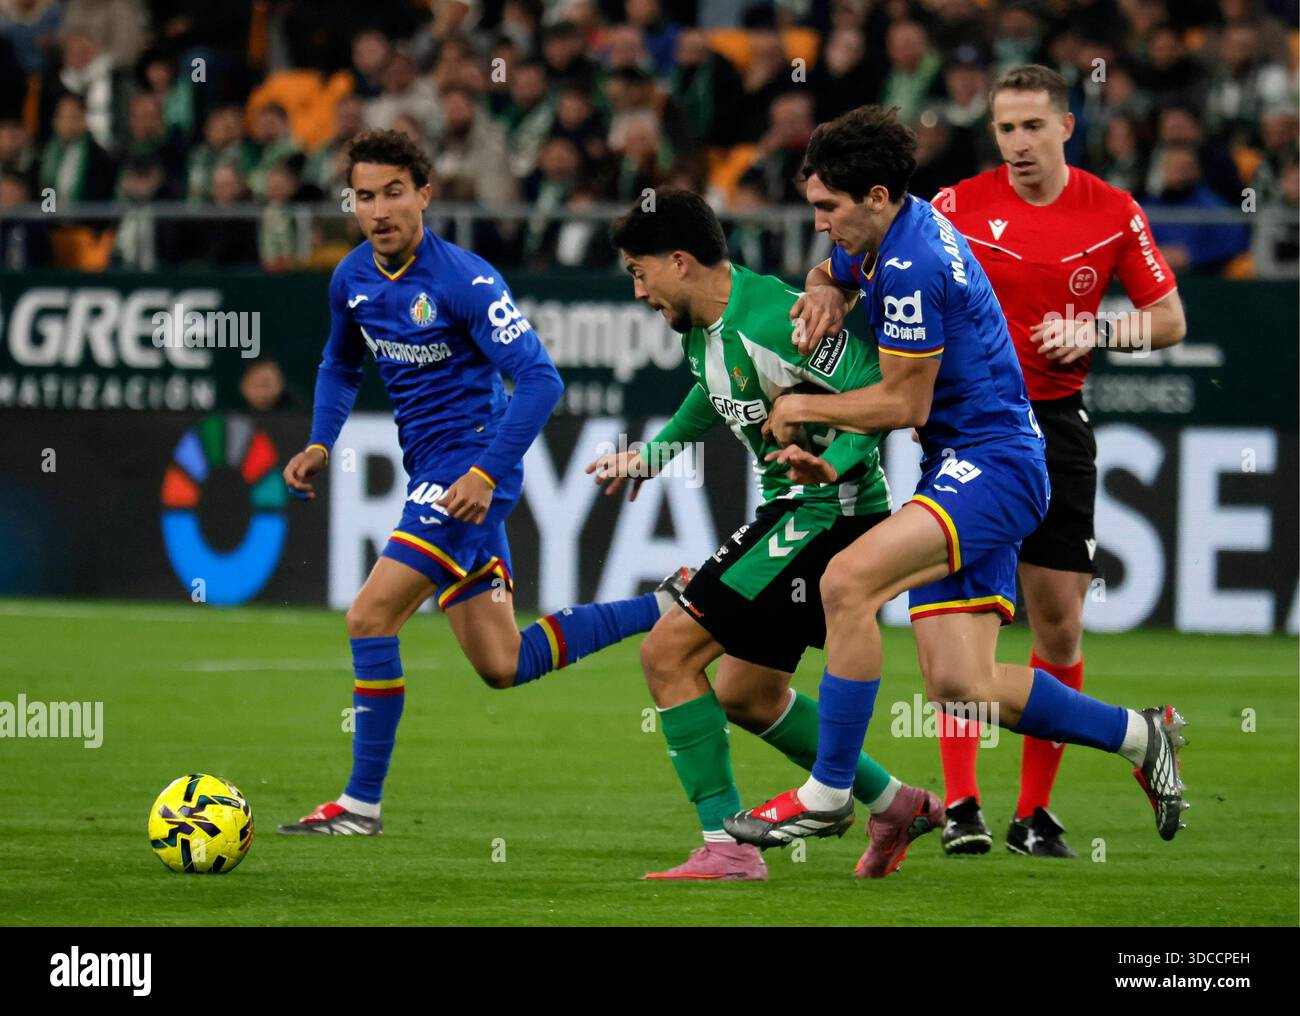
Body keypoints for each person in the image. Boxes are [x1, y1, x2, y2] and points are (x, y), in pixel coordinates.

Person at [721, 106, 1188, 857]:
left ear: (875, 196)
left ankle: (830, 791)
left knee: (847, 582)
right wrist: (820, 286)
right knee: (962, 684)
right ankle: (1142, 736)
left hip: (994, 462)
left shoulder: (911, 264)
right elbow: (832, 271)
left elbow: (906, 403)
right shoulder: (889, 229)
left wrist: (804, 403)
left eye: (826, 209)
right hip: (972, 460)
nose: (818, 224)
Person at [276, 129, 679, 836]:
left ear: (425, 194)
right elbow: (339, 366)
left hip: (463, 474)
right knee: (503, 662)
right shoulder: (352, 280)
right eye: (365, 196)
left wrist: (485, 472)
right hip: (430, 477)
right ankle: (667, 605)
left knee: (369, 618)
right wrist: (318, 440)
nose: (379, 210)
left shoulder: (464, 279)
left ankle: (359, 806)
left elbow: (540, 380)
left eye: (393, 192)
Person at [591, 190, 942, 881]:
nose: (638, 291)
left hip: (827, 515)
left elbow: (876, 390)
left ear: (681, 262)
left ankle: (729, 849)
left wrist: (828, 463)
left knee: (668, 655)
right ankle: (896, 803)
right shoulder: (703, 328)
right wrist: (652, 456)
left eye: (641, 271)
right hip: (797, 512)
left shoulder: (780, 317)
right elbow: (708, 392)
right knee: (746, 695)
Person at [929, 64, 1186, 857]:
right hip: (968, 430)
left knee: (1060, 625)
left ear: (1067, 126)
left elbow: (1169, 319)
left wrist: (1098, 331)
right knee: (963, 626)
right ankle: (963, 804)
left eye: (1033, 126)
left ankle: (1033, 814)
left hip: (1057, 427)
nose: (1018, 143)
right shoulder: (955, 206)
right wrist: (825, 286)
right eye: (1005, 128)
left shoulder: (1110, 211)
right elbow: (864, 267)